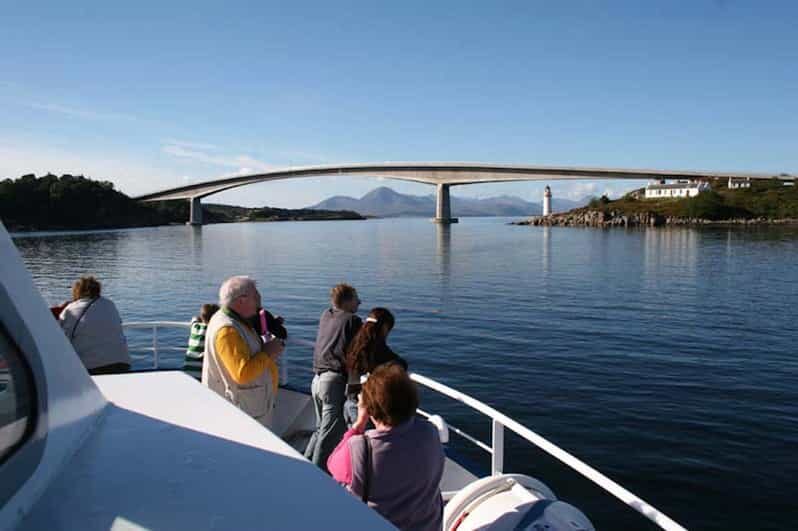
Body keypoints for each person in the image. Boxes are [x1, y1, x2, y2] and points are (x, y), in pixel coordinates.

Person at [327, 363, 444, 531]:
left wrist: (359, 424)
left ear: (370, 408)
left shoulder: (360, 448)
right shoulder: (430, 432)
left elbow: (332, 465)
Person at [202, 276, 284, 426]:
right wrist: (267, 352)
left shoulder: (237, 321)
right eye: (256, 296)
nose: (259, 301)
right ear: (241, 300)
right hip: (245, 413)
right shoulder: (228, 330)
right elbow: (242, 374)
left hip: (250, 408)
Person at [304, 283, 362, 471]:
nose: (359, 302)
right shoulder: (352, 320)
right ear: (346, 301)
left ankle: (304, 463)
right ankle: (316, 477)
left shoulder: (326, 315)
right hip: (333, 382)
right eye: (355, 298)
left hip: (317, 380)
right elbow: (357, 351)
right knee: (329, 435)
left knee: (321, 429)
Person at [343, 308, 407, 427]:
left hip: (350, 403)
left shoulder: (354, 350)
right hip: (367, 412)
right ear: (385, 328)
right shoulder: (385, 356)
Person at [59, 276, 131, 375]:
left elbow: (62, 338)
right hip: (122, 363)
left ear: (77, 291)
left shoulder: (70, 309)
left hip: (91, 367)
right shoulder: (109, 304)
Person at [184, 303, 220, 379]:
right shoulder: (212, 330)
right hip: (201, 373)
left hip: (187, 371)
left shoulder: (195, 327)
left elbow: (194, 319)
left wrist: (199, 319)